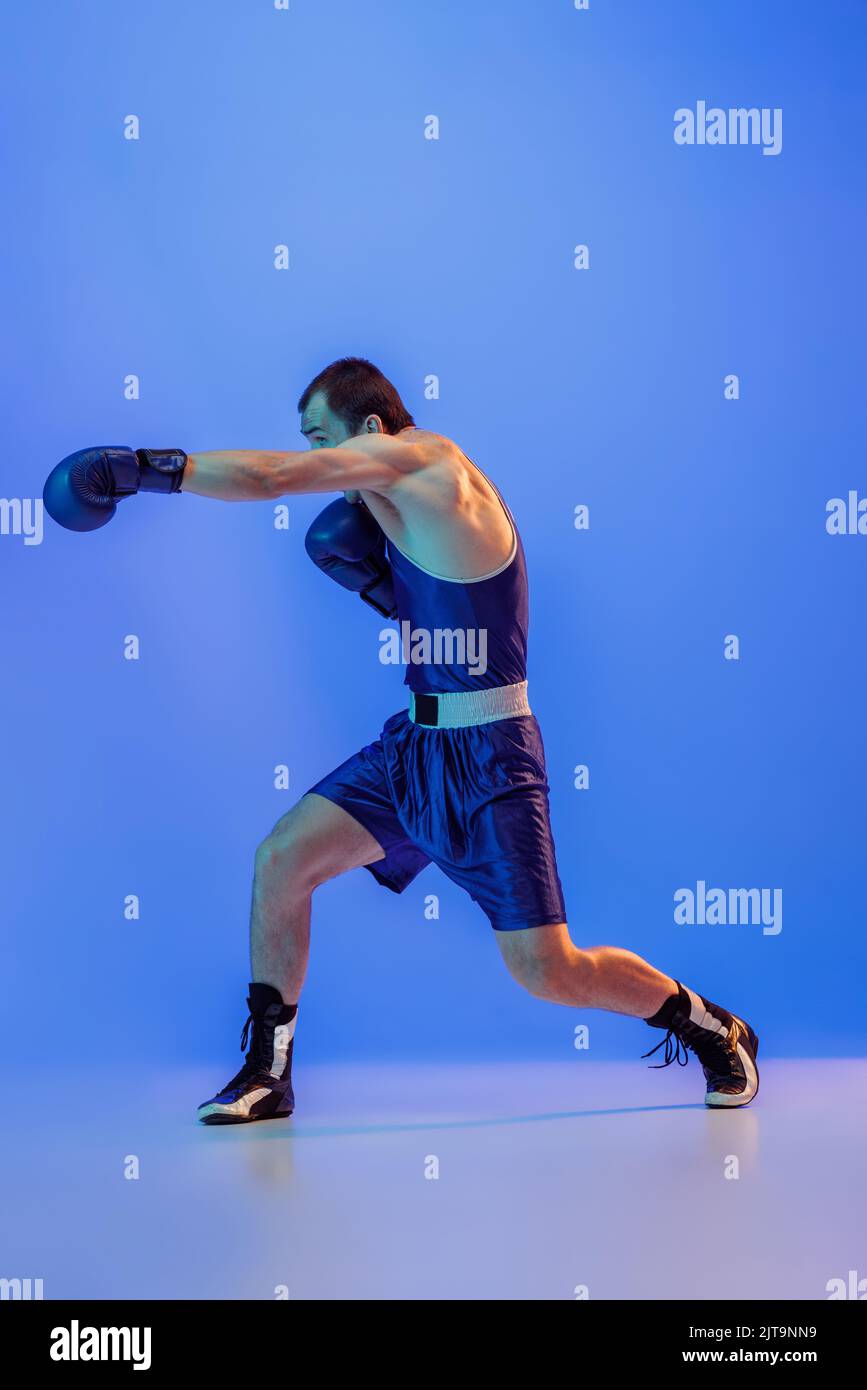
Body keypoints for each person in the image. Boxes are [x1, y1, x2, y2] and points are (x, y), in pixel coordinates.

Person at [43, 357, 759, 1122]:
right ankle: (267, 1073)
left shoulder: (421, 459)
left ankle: (708, 1024)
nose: (326, 461)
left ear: (370, 430)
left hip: (491, 758)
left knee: (548, 970)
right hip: (413, 747)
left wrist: (145, 470)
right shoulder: (408, 504)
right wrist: (388, 592)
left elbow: (271, 479)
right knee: (281, 861)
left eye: (324, 440)